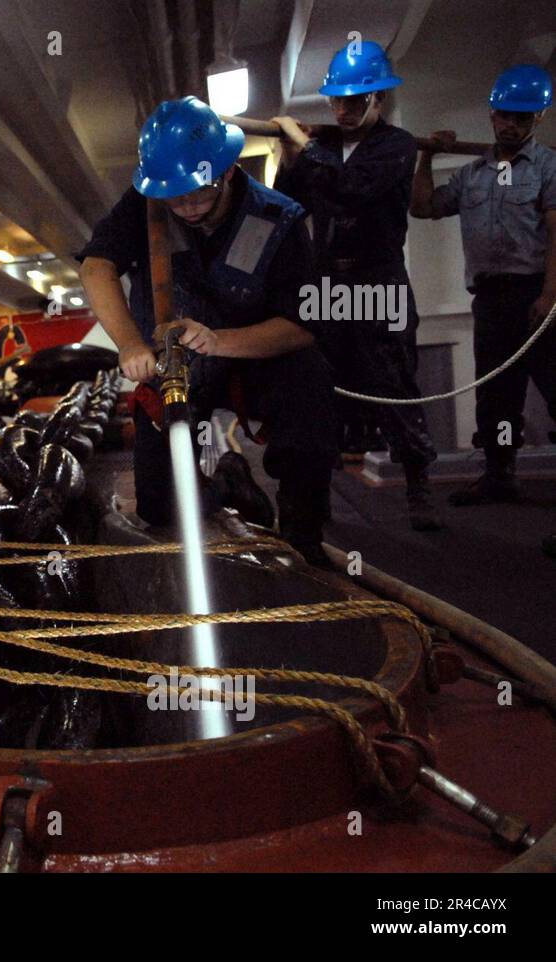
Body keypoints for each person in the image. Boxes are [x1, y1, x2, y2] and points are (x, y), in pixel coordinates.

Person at [78, 96, 338, 566]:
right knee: (159, 505)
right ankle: (224, 485)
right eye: (176, 197)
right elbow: (96, 268)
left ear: (229, 169)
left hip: (250, 358)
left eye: (199, 193)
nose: (188, 207)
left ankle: (304, 535)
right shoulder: (148, 203)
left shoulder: (278, 219)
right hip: (176, 369)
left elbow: (301, 326)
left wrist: (220, 341)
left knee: (308, 379)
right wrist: (131, 344)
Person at [273, 39, 442, 531]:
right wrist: (290, 156)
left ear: (379, 99)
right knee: (322, 382)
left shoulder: (397, 146)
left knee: (394, 381)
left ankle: (417, 484)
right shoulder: (321, 146)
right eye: (338, 101)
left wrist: (305, 148)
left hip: (378, 277)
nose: (344, 109)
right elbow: (290, 204)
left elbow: (351, 190)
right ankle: (320, 494)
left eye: (356, 100)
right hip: (328, 278)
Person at [410, 64, 556, 507]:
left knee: (555, 388)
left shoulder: (548, 166)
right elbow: (423, 208)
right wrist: (427, 155)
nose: (512, 124)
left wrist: (550, 294)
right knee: (497, 394)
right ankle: (500, 473)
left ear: (539, 119)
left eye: (522, 117)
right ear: (492, 114)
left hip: (536, 292)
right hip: (490, 299)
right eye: (505, 115)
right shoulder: (473, 174)